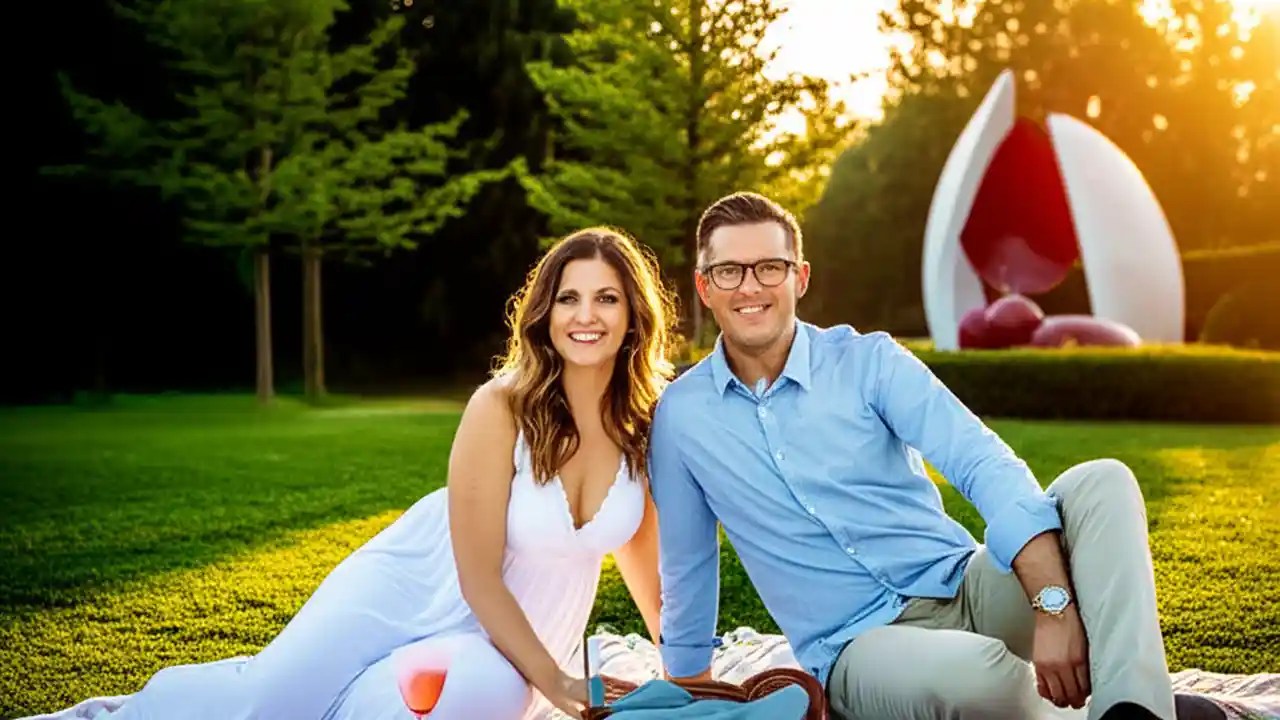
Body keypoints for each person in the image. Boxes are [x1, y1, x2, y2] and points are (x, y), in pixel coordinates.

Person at [647, 191, 1214, 720]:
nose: (751, 287)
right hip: (857, 646)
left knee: (1103, 482)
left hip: (964, 583)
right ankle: (1134, 706)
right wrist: (687, 694)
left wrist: (1053, 605)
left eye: (769, 266)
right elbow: (688, 565)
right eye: (729, 271)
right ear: (704, 286)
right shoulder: (683, 416)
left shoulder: (870, 362)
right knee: (983, 678)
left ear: (800, 277)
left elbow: (979, 460)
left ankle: (1136, 708)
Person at [89, 227, 675, 720]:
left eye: (607, 298)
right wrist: (553, 680)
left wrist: (688, 671)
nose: (586, 316)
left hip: (522, 635)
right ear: (546, 312)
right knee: (267, 708)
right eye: (569, 298)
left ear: (633, 316)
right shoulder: (501, 406)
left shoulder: (647, 426)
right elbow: (478, 578)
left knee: (462, 700)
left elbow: (646, 567)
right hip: (410, 588)